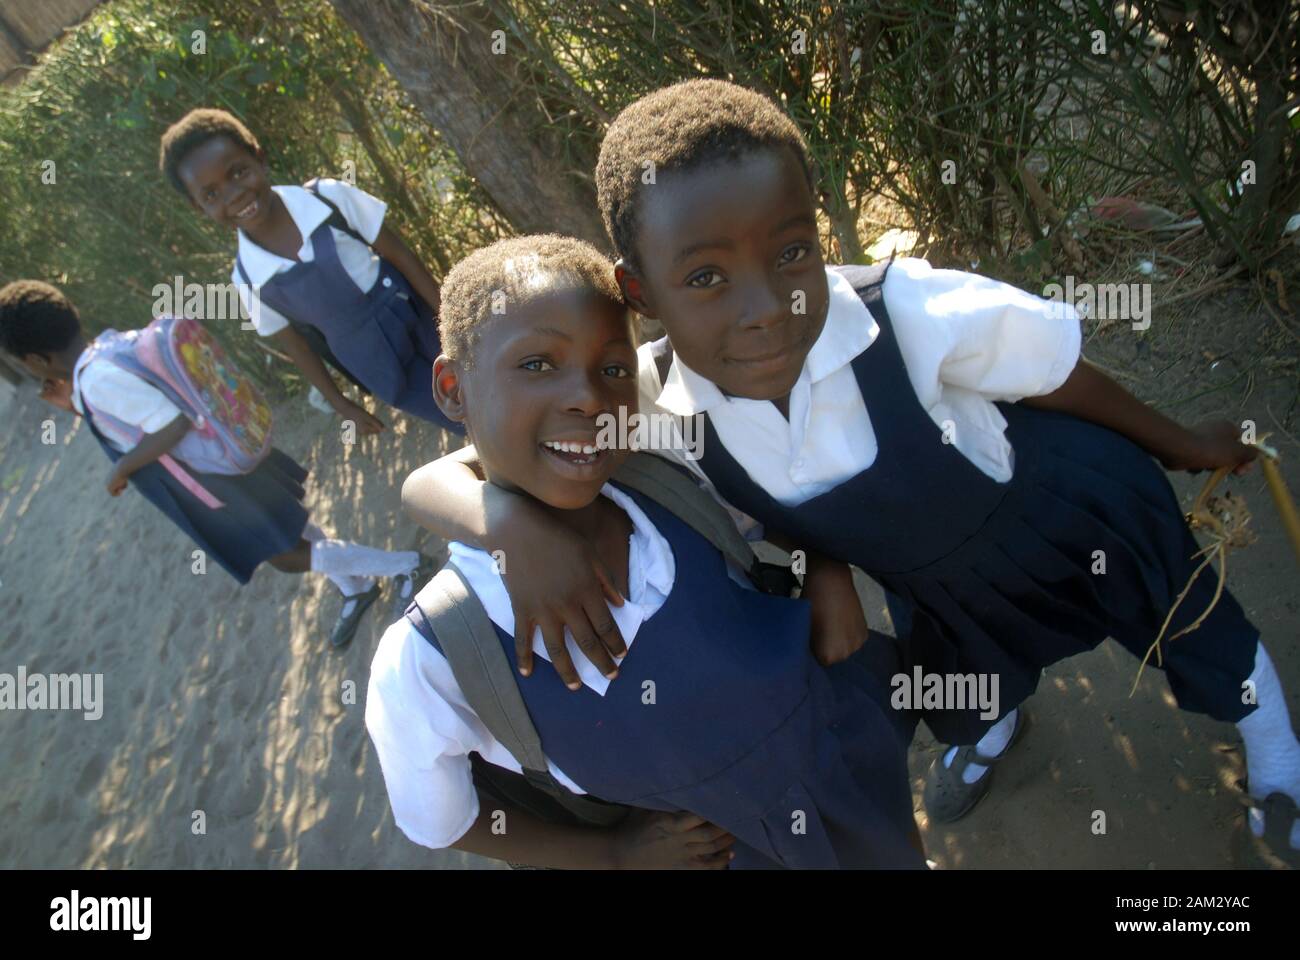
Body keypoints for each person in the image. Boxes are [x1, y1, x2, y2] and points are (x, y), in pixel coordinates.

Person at [402, 80, 1300, 861]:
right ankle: (993, 731)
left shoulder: (907, 312)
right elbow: (445, 474)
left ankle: (1276, 755)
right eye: (706, 278)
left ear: (817, 232)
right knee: (962, 680)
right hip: (928, 582)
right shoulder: (643, 401)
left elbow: (1057, 374)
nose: (765, 310)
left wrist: (1179, 441)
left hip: (1057, 515)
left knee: (1182, 617)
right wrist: (507, 526)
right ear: (641, 297)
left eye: (792, 254)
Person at [367, 235, 923, 869]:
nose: (587, 397)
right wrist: (613, 853)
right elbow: (442, 821)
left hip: (841, 754)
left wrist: (824, 569)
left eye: (612, 369)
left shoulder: (659, 460)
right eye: (536, 364)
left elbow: (774, 508)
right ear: (450, 387)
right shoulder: (431, 655)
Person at [0, 280, 432, 648]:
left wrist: (122, 469)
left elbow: (170, 424)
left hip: (212, 479)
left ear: (36, 361)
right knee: (289, 529)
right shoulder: (103, 355)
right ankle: (356, 587)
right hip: (216, 461)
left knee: (284, 553)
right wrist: (75, 405)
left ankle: (404, 565)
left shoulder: (97, 382)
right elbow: (134, 412)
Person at [159, 108, 459, 433]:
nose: (234, 195)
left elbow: (400, 255)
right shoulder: (248, 279)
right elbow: (297, 347)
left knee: (484, 387)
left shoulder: (328, 199)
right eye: (212, 194)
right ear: (198, 207)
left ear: (259, 157)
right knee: (458, 419)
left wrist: (451, 323)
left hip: (421, 319)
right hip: (377, 365)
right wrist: (341, 405)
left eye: (238, 172)